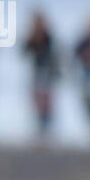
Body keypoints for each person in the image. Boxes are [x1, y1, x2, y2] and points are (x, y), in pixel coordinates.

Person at [22, 11, 60, 141]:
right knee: (37, 101)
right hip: (37, 72)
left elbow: (54, 54)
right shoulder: (32, 37)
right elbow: (23, 51)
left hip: (47, 73)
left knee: (46, 101)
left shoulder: (48, 37)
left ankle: (46, 129)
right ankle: (41, 128)